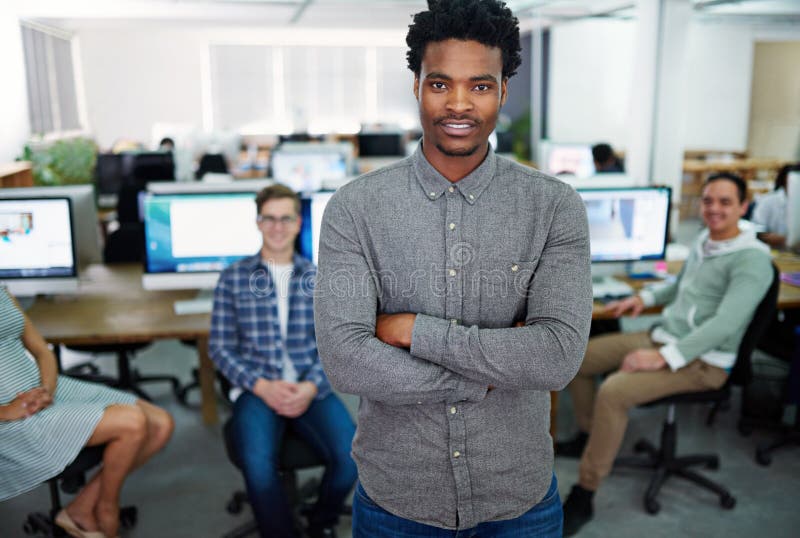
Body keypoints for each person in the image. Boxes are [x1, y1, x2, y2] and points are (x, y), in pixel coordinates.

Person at [314, 1, 593, 536]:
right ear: (416, 86)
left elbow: (556, 357)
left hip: (518, 498)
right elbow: (348, 362)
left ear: (503, 91)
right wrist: (486, 374)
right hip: (398, 499)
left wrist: (414, 332)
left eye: (481, 86)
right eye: (440, 84)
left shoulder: (554, 206)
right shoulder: (354, 209)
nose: (459, 104)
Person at [558, 172, 772, 536]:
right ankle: (588, 435)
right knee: (576, 359)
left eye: (725, 202)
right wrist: (645, 298)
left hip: (703, 361)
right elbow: (679, 287)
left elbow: (725, 324)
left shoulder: (751, 260)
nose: (714, 209)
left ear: (743, 207)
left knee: (614, 391)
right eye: (708, 201)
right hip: (665, 337)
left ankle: (585, 491)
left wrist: (663, 357)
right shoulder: (707, 240)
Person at [209, 184, 357, 538]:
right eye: (269, 218)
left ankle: (319, 523)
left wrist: (310, 386)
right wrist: (261, 386)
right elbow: (220, 347)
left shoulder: (319, 278)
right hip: (256, 388)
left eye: (285, 218)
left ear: (297, 223)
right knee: (258, 469)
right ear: (258, 222)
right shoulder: (232, 278)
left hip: (311, 386)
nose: (277, 226)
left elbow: (334, 344)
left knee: (353, 457)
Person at [0, 288, 173, 538]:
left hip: (42, 390)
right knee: (133, 422)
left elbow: (41, 350)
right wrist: (6, 411)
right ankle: (106, 509)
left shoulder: (3, 291)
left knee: (161, 423)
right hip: (12, 417)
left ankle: (81, 509)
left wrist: (47, 389)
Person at [752, 163, 800, 249]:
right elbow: (756, 230)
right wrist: (770, 238)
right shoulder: (769, 201)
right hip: (773, 252)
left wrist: (785, 240)